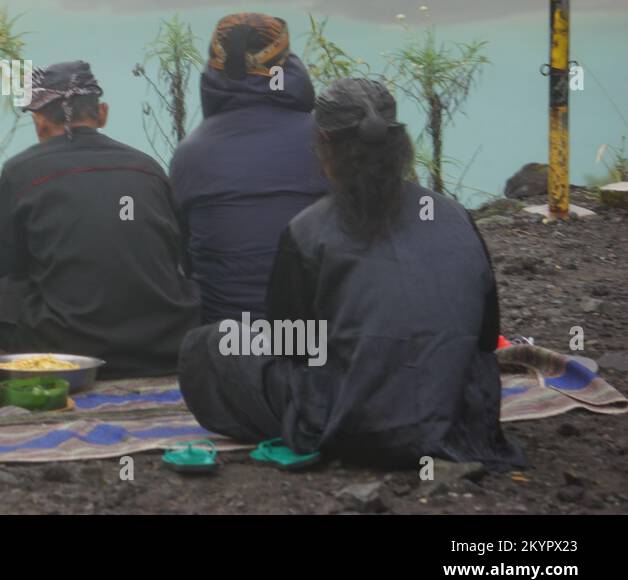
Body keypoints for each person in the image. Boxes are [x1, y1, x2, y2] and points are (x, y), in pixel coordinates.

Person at [178, 79, 526, 470]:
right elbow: (484, 334)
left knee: (208, 347)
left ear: (324, 145)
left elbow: (291, 345)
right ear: (399, 146)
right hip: (460, 420)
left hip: (355, 424)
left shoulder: (308, 230)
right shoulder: (454, 215)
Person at [0, 61, 201, 378]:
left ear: (39, 124)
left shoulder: (22, 171)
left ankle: (19, 362)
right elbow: (181, 255)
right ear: (102, 113)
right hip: (163, 342)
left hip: (72, 346)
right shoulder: (147, 168)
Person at [169, 14, 329, 324]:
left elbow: (184, 256)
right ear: (288, 66)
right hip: (316, 337)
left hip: (224, 336)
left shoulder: (191, 153)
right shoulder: (328, 143)